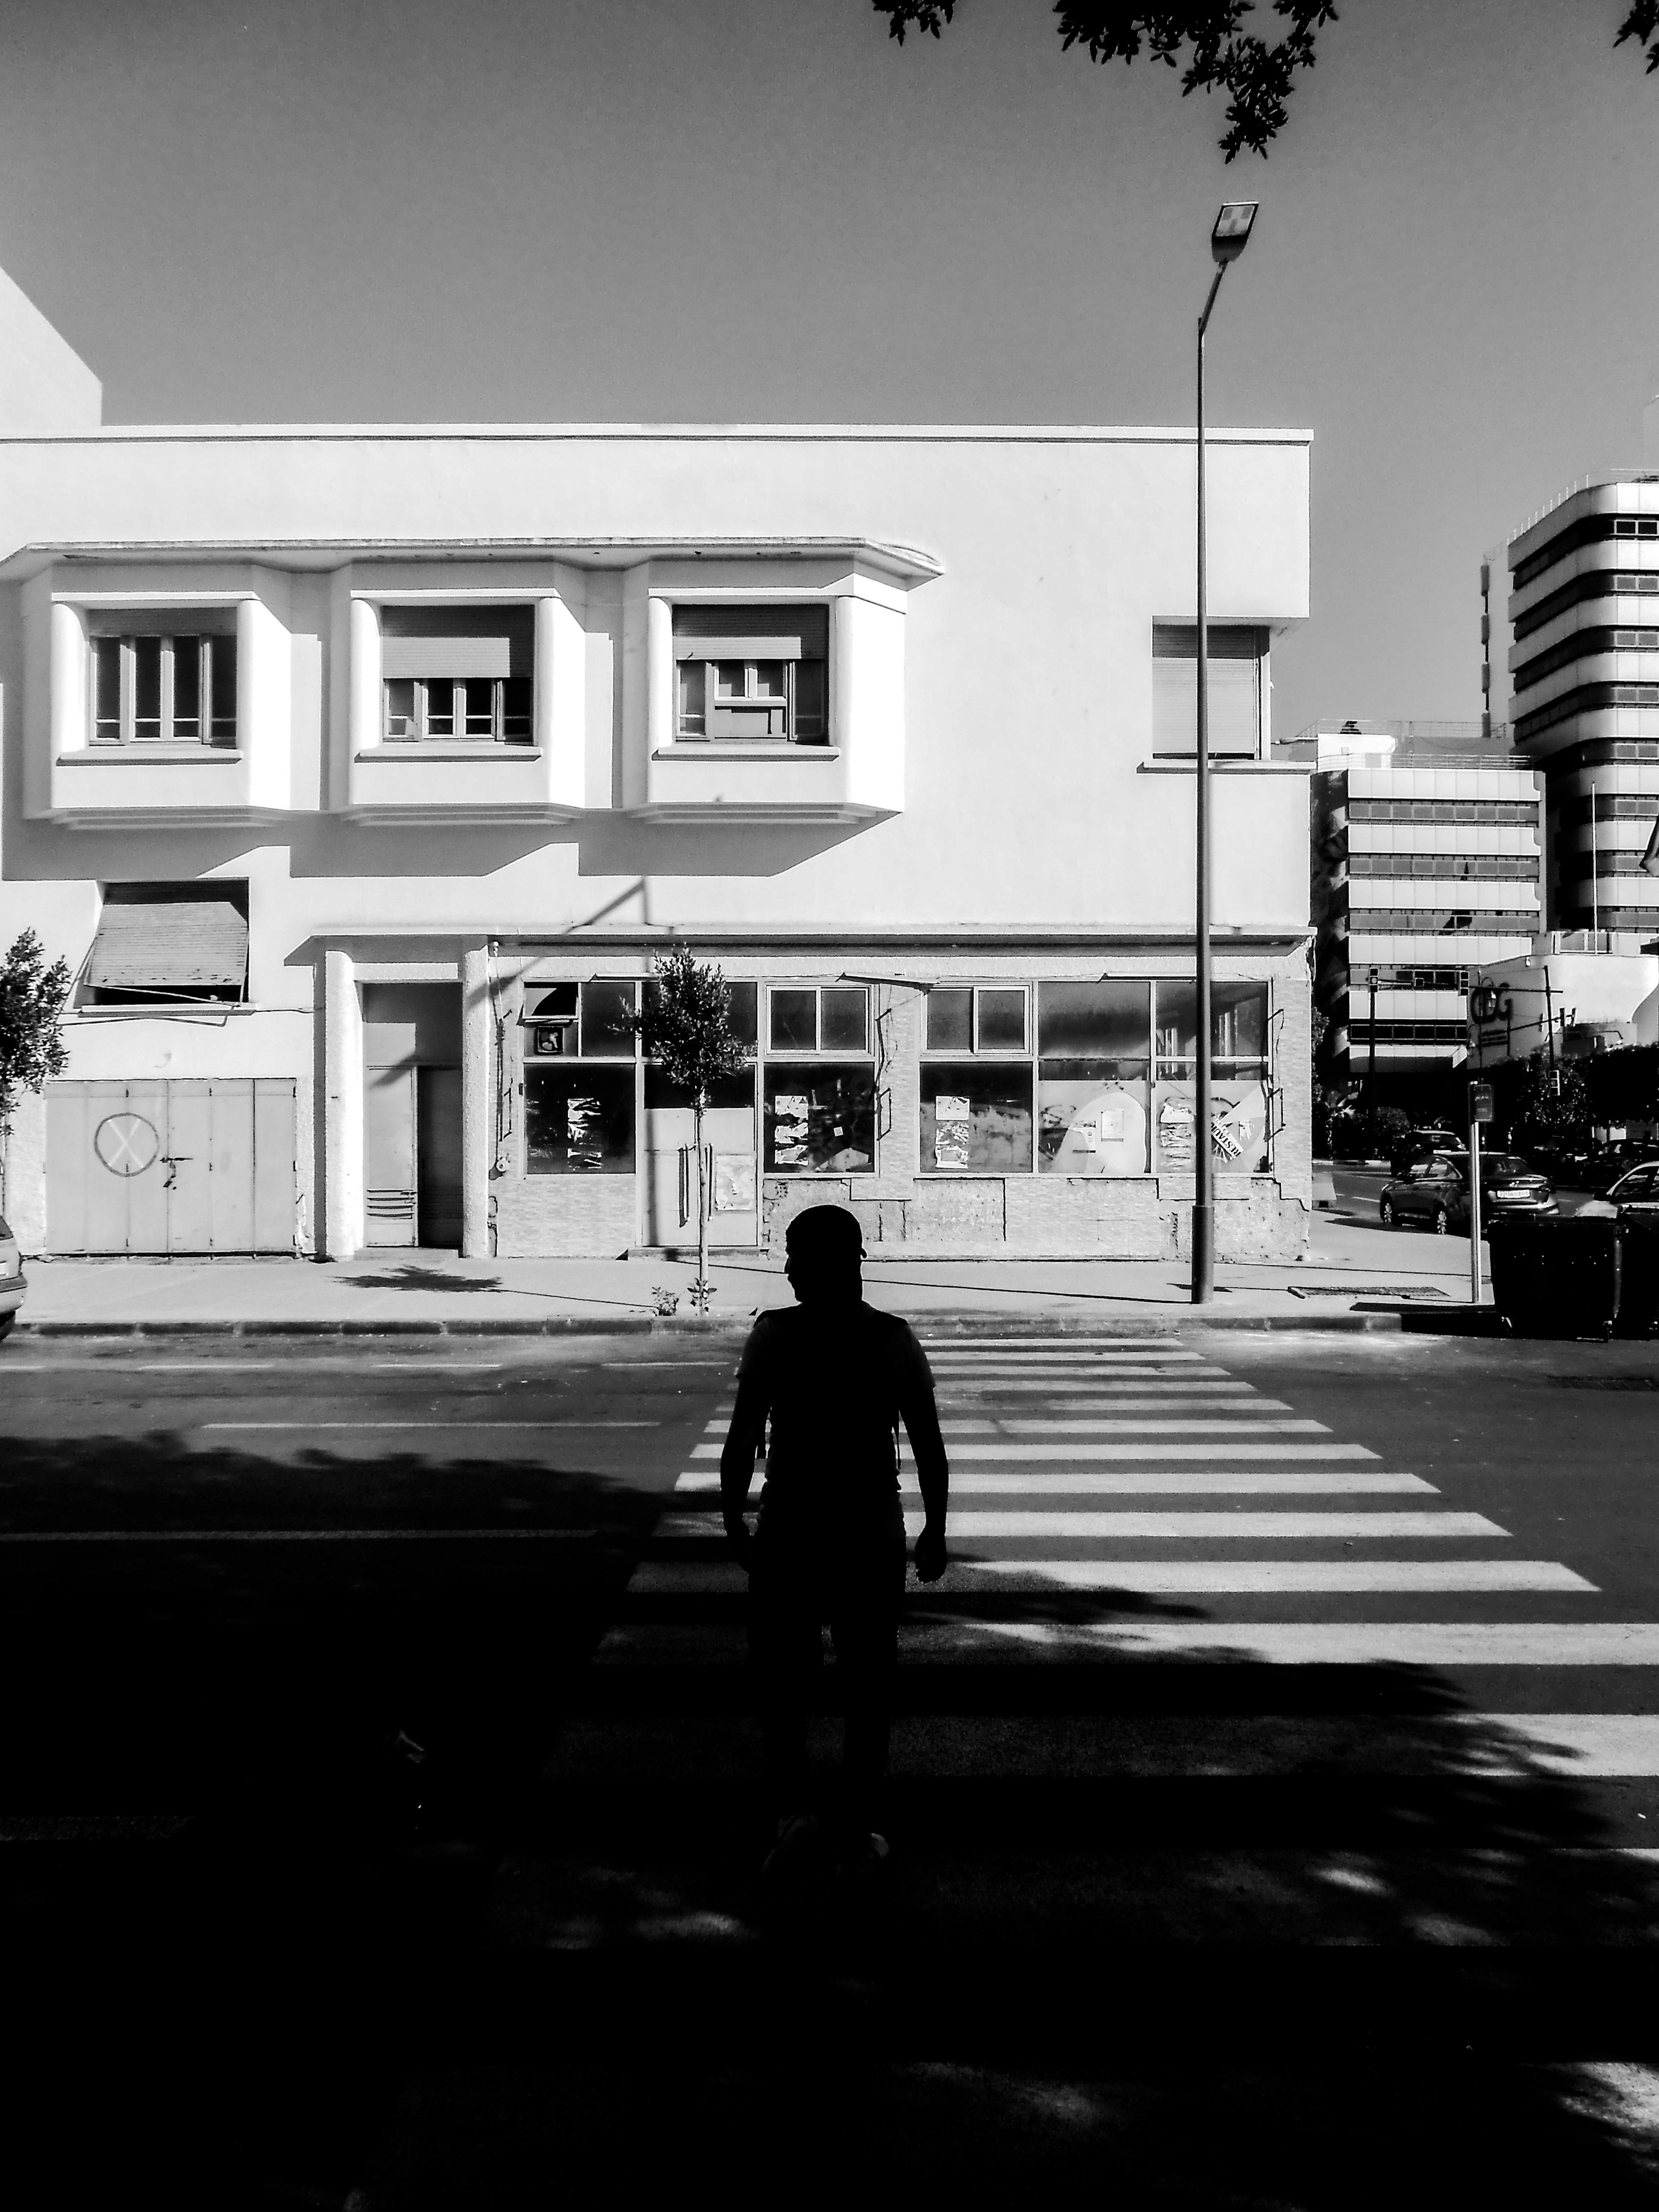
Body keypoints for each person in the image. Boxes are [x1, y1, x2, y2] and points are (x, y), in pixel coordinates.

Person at [720, 1203, 949, 1884]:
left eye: (795, 1254)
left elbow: (741, 1440)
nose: (786, 1267)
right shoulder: (892, 1341)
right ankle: (856, 1828)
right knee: (867, 1684)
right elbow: (928, 1446)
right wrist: (934, 1526)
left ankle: (793, 1815)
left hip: (791, 1530)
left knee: (784, 1681)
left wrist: (735, 1520)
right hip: (869, 1532)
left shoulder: (775, 1338)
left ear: (831, 1261)